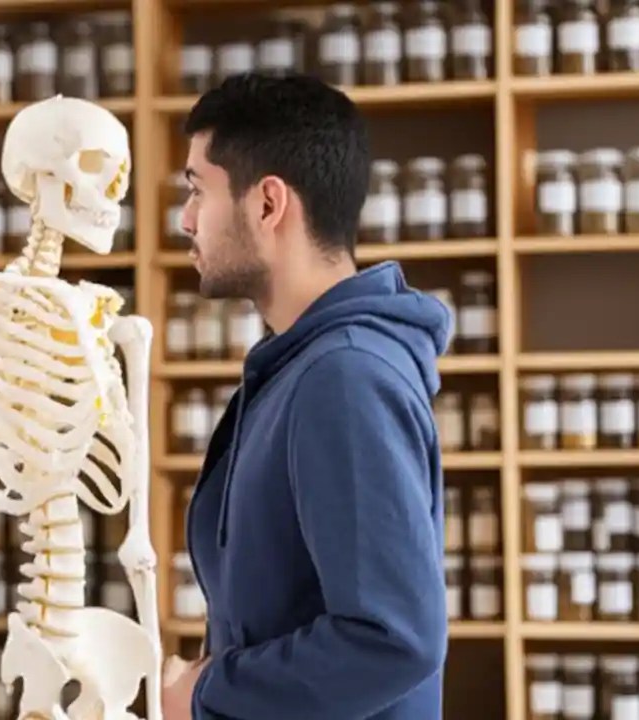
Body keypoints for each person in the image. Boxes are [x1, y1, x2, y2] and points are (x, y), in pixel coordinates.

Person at [160, 72, 452, 719]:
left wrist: (207, 693)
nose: (185, 219)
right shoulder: (300, 368)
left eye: (197, 190)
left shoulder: (344, 377)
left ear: (268, 204)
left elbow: (393, 638)